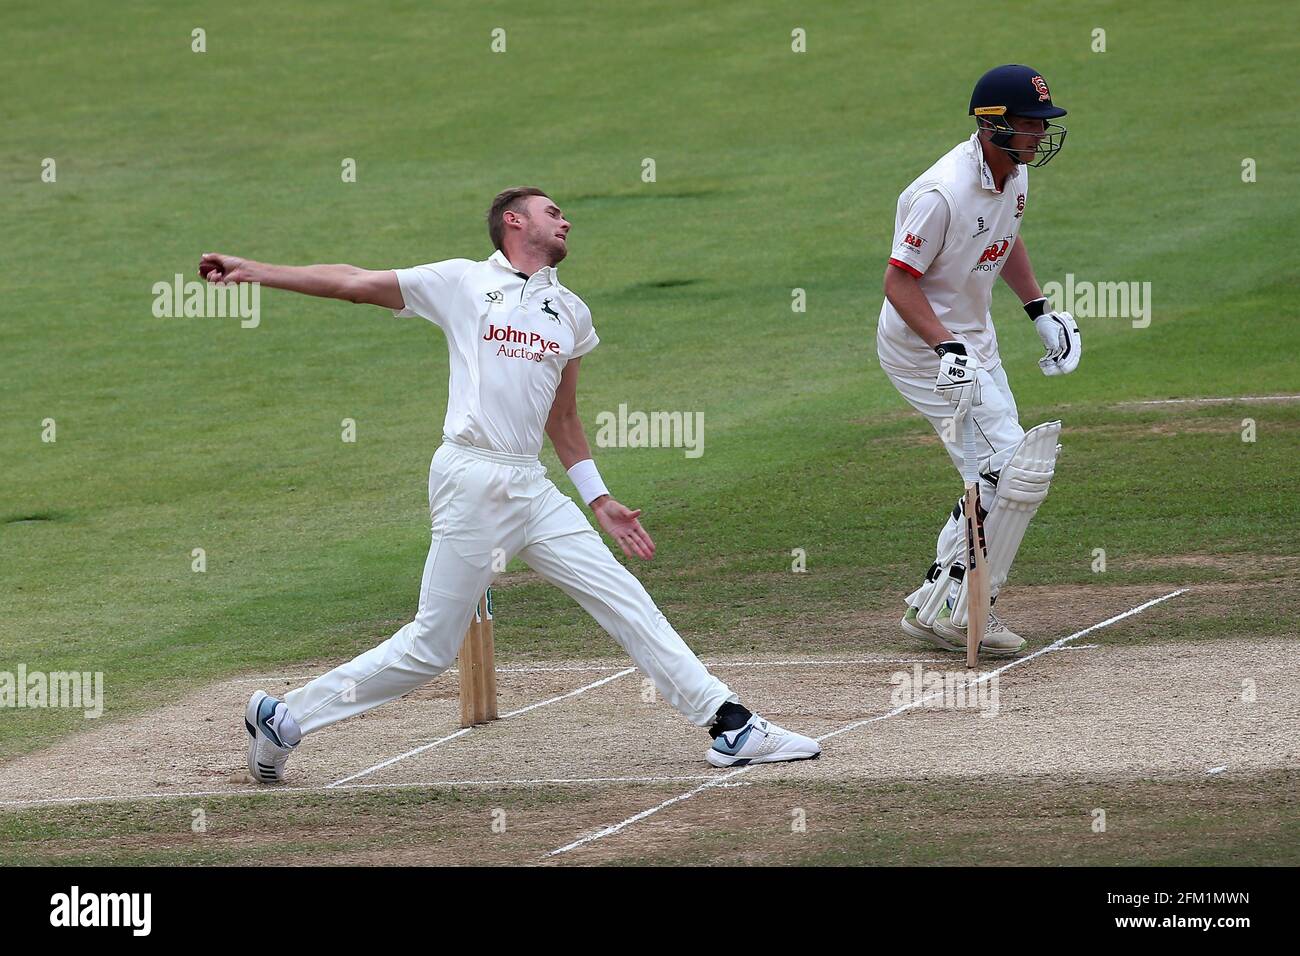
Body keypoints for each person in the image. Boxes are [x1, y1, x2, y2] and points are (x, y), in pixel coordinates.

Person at [199, 187, 821, 783]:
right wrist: (255, 270)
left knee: (622, 596)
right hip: (471, 476)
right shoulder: (463, 282)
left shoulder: (570, 312)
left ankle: (730, 724)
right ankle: (288, 717)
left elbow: (565, 418)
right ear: (514, 223)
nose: (566, 221)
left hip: (532, 485)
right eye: (552, 212)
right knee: (430, 647)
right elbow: (354, 282)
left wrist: (599, 497)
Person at [875, 65, 1082, 656]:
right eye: (1029, 124)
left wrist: (1038, 309)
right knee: (1013, 465)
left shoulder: (1012, 174)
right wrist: (944, 347)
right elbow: (897, 282)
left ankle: (937, 602)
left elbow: (1004, 237)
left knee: (1003, 468)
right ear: (992, 125)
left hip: (974, 342)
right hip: (922, 351)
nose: (1039, 135)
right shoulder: (942, 193)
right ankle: (964, 608)